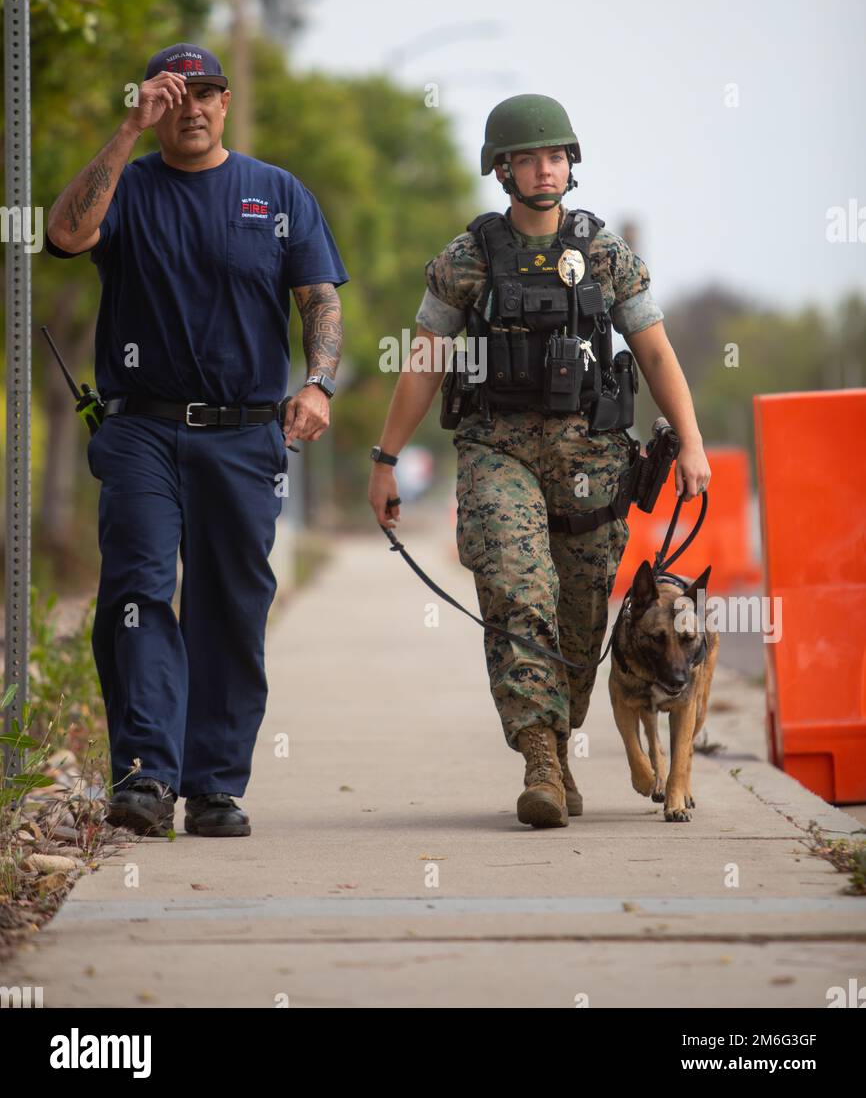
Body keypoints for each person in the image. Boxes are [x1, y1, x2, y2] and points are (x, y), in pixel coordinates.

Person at [368, 94, 710, 829]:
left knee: (584, 626)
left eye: (555, 156)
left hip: (593, 462)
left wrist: (692, 441)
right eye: (528, 157)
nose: (544, 168)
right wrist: (385, 460)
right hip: (498, 451)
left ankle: (559, 733)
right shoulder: (466, 261)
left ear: (571, 165)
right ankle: (541, 764)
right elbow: (424, 363)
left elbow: (653, 350)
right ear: (502, 169)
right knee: (518, 594)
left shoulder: (606, 255)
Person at [45, 43, 349, 838]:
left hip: (244, 437)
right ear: (155, 101)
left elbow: (318, 297)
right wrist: (124, 131)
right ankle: (146, 774)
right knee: (140, 594)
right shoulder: (130, 185)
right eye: (175, 93)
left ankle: (214, 784)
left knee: (231, 608)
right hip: (141, 427)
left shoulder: (275, 193)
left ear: (222, 103)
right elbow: (67, 235)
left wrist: (317, 382)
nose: (193, 106)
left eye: (206, 92)